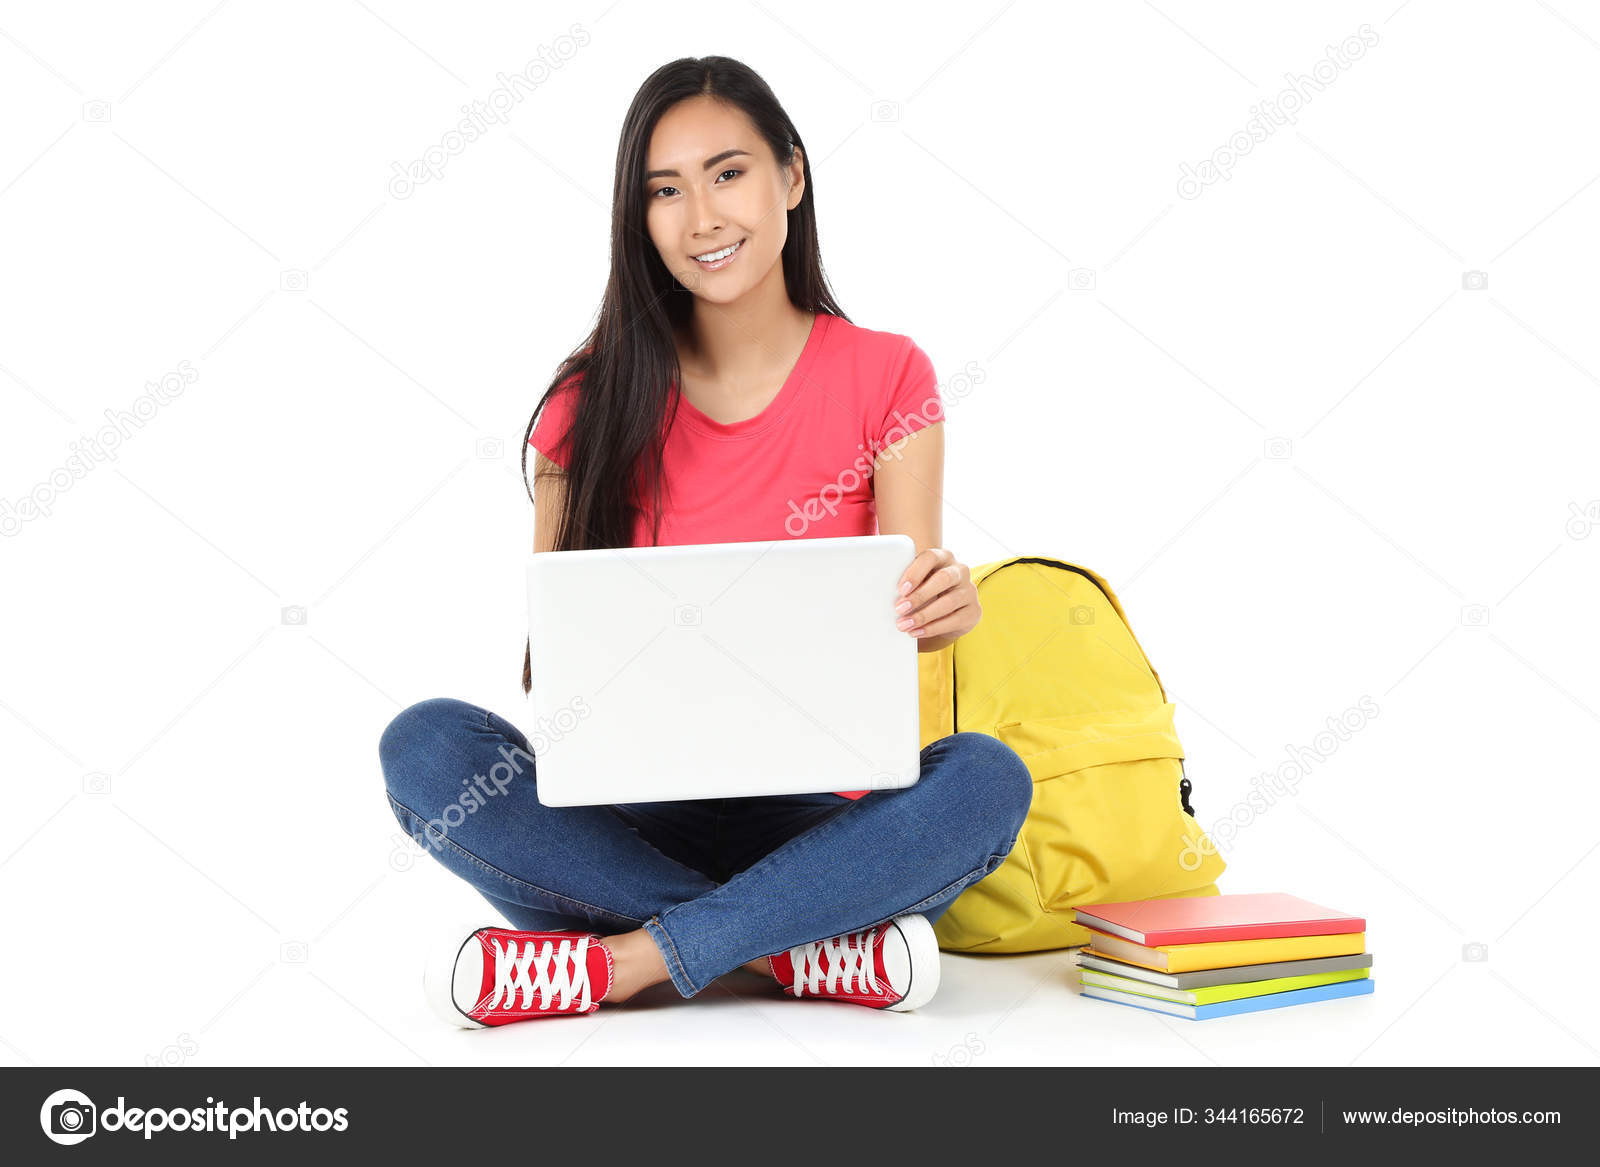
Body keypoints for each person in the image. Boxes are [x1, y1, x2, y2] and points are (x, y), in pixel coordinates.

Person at [378, 55, 1033, 1029]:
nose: (701, 220)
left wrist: (945, 607)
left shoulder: (889, 376)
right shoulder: (586, 399)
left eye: (728, 174)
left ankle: (623, 964)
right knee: (425, 747)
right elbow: (556, 655)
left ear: (792, 179)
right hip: (621, 823)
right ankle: (795, 955)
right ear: (637, 219)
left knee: (985, 779)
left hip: (825, 823)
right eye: (664, 192)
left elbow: (911, 617)